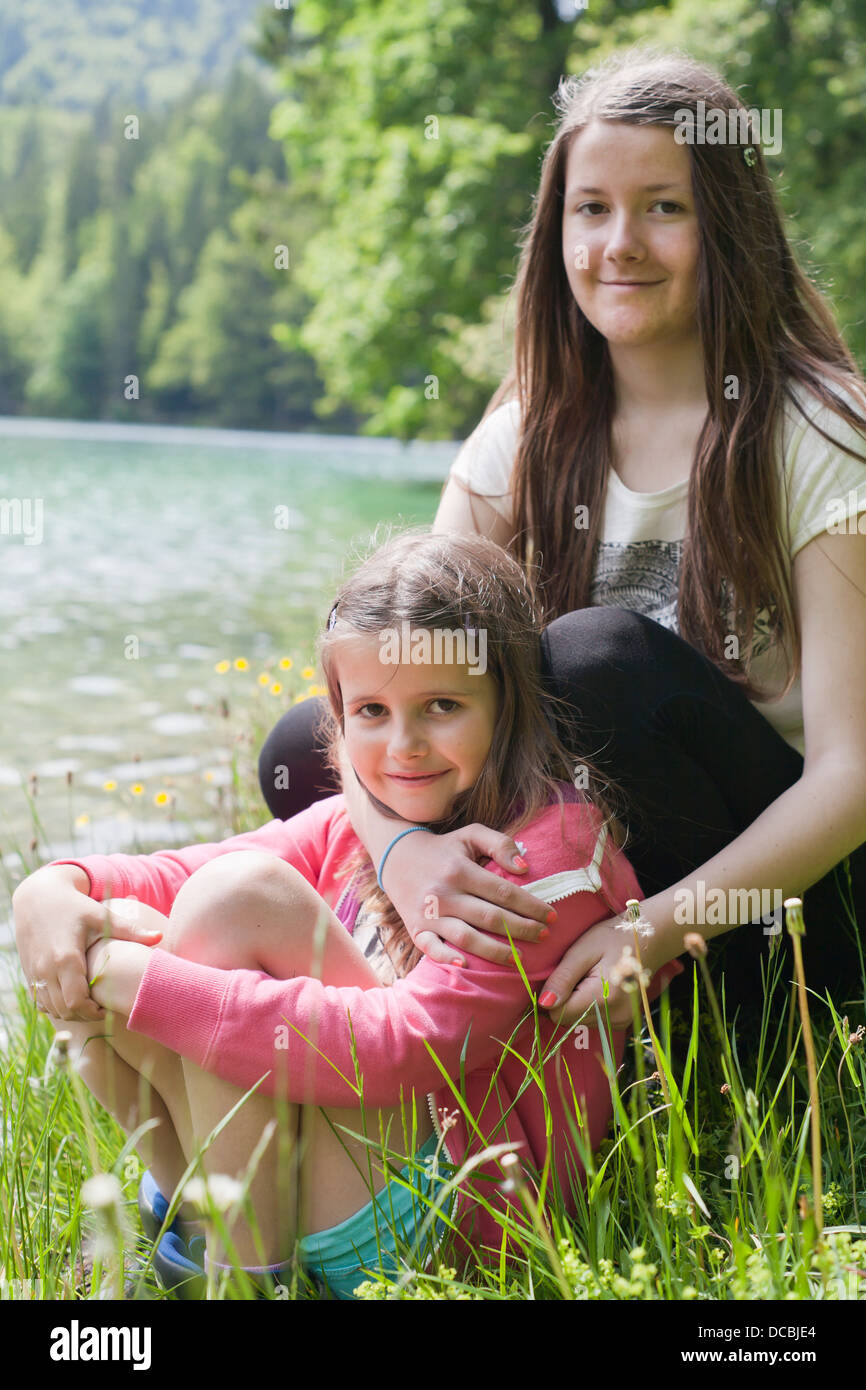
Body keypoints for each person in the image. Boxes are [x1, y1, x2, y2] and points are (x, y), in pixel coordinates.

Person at [258, 46, 866, 1033]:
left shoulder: (817, 431)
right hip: (595, 871)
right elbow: (397, 664)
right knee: (311, 744)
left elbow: (851, 776)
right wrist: (402, 852)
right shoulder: (526, 432)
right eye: (591, 208)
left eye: (662, 207)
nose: (618, 242)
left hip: (787, 921)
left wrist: (656, 927)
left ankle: (713, 1039)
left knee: (591, 659)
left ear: (729, 226)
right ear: (556, 231)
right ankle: (445, 1010)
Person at [13, 530, 682, 1297]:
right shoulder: (360, 822)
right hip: (332, 1180)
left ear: (509, 701)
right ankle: (188, 1239)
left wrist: (134, 978)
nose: (404, 746)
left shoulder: (545, 856)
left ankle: (243, 1278)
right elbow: (174, 872)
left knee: (236, 905)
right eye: (370, 710)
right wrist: (53, 888)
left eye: (442, 706)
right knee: (112, 940)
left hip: (457, 1217)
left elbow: (405, 1049)